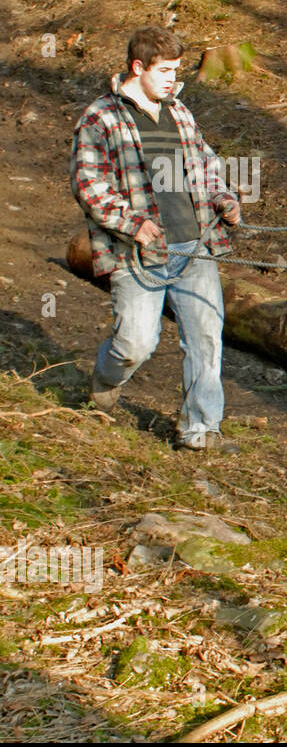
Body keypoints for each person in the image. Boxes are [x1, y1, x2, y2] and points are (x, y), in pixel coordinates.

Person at [71, 26, 242, 450]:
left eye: (176, 70)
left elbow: (205, 162)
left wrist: (223, 198)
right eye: (164, 70)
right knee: (135, 344)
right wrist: (133, 224)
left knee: (205, 337)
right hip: (136, 252)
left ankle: (200, 430)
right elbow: (89, 184)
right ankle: (105, 378)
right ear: (137, 67)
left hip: (194, 244)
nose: (172, 79)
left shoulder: (180, 112)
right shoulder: (100, 118)